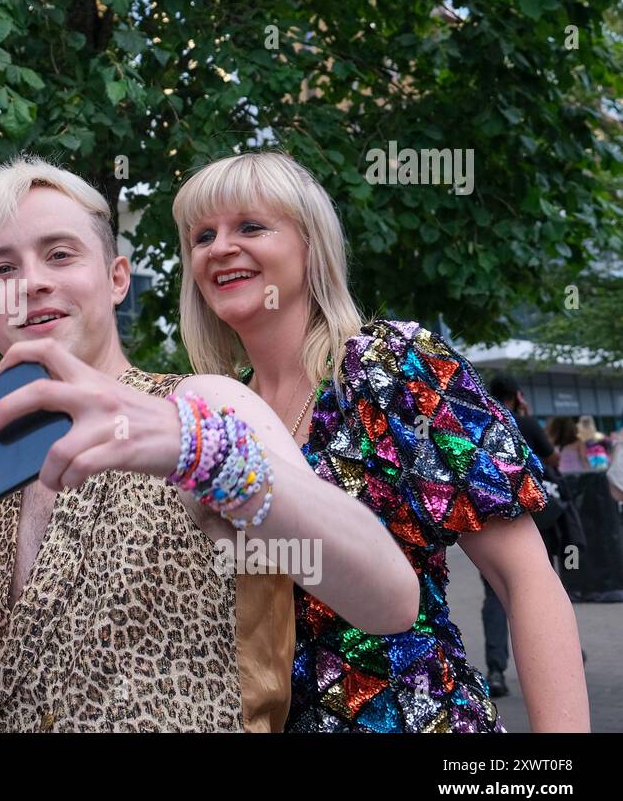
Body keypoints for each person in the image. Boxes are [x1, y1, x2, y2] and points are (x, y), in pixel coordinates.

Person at [0, 157, 419, 733]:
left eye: (60, 254)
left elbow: (388, 601)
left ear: (117, 277)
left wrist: (199, 451)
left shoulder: (203, 404)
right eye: (0, 269)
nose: (31, 281)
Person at [160, 150, 587, 732]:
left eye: (250, 226)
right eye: (202, 235)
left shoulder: (395, 369)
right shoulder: (216, 416)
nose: (219, 248)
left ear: (312, 246)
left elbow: (525, 578)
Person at [481, 375, 561, 698]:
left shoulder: (481, 422)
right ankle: (558, 656)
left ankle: (496, 669)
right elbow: (553, 459)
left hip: (490, 524)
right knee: (543, 588)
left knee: (495, 597)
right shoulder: (525, 424)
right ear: (517, 395)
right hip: (538, 524)